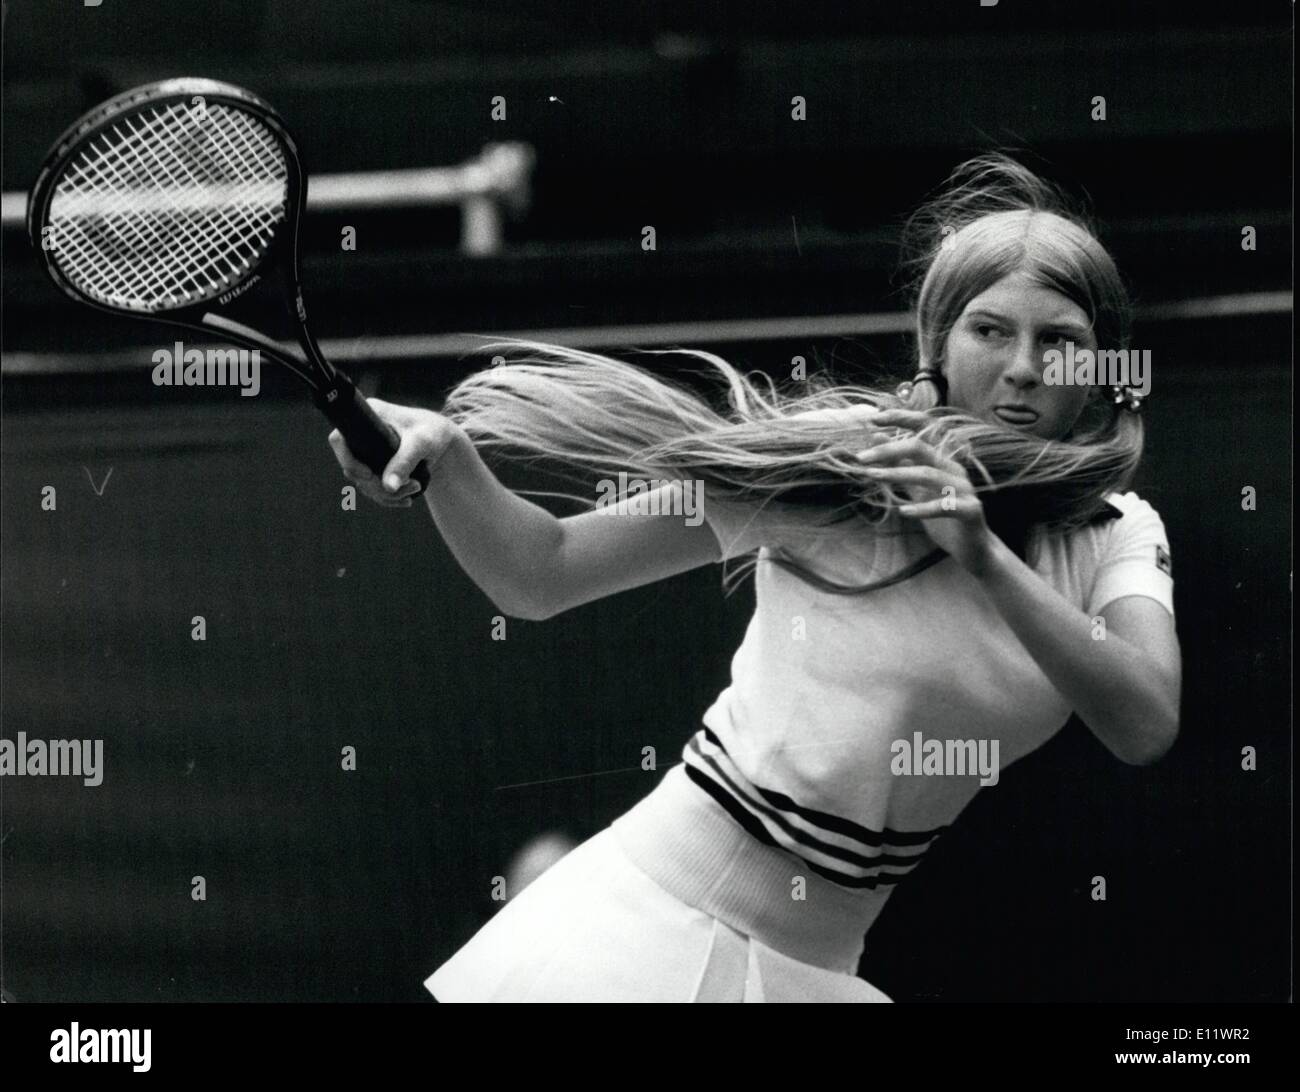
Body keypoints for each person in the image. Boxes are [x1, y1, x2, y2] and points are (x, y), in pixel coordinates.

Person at [329, 154, 1181, 1002]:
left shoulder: (1118, 535)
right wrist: (449, 460)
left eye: (1060, 341)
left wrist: (983, 556)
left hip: (816, 972)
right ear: (940, 349)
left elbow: (1143, 720)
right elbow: (541, 573)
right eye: (990, 330)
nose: (1025, 366)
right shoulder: (847, 464)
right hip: (643, 934)